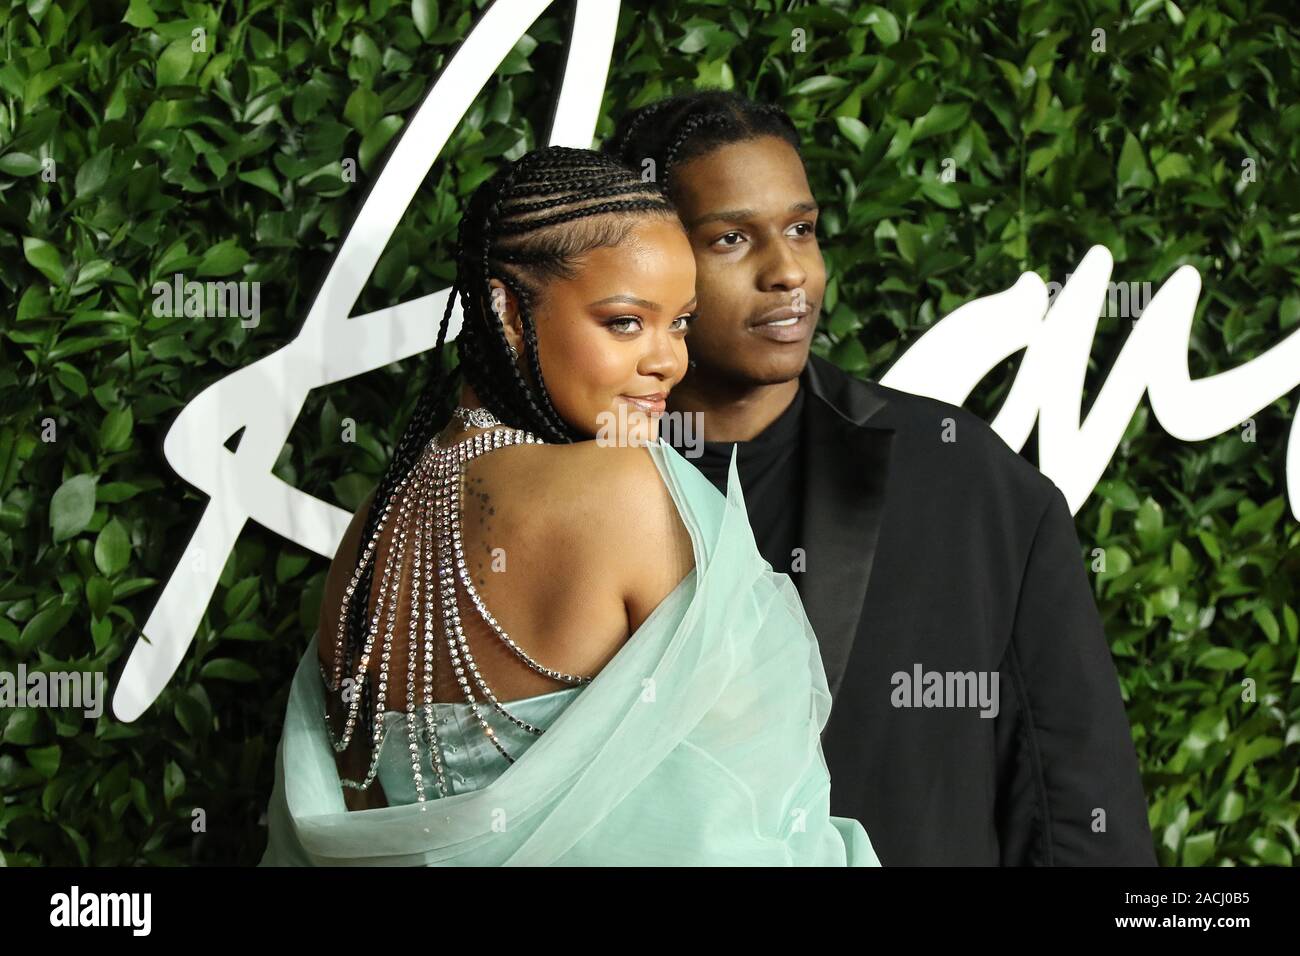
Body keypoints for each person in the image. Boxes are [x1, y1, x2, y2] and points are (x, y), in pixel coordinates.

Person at [259, 146, 879, 866]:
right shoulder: (626, 488)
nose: (668, 361)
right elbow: (758, 811)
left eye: (679, 323)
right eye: (624, 323)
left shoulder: (375, 527)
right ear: (506, 312)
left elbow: (352, 797)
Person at [605, 91, 1157, 866]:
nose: (788, 272)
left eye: (802, 229)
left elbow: (1076, 809)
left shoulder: (963, 480)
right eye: (730, 239)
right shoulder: (571, 486)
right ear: (650, 262)